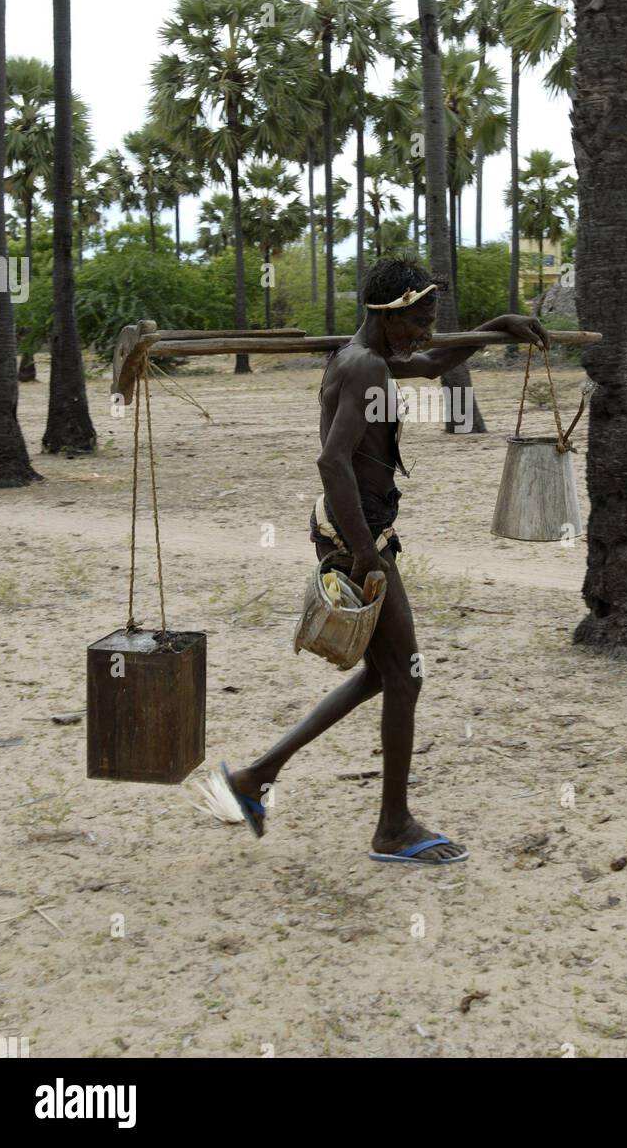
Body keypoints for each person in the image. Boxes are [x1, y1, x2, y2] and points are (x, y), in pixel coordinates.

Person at [223, 256, 548, 864]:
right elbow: (332, 462)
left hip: (362, 531)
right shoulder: (364, 367)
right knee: (407, 674)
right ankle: (392, 827)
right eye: (420, 318)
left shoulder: (369, 355)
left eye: (431, 319)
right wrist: (367, 553)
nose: (425, 330)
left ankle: (256, 775)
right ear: (390, 313)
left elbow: (427, 363)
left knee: (384, 674)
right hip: (356, 536)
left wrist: (493, 328)